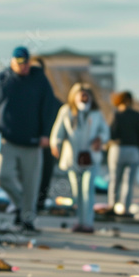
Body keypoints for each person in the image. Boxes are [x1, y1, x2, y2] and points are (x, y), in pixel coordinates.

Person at [0, 46, 55, 232]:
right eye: (20, 63)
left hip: (33, 142)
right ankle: (21, 206)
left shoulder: (39, 80)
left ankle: (27, 220)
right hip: (7, 140)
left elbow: (49, 108)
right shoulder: (1, 80)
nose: (24, 66)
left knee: (31, 184)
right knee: (3, 175)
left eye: (27, 62)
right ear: (12, 62)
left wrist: (46, 134)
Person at [50, 83, 110, 233]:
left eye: (86, 95)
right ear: (74, 96)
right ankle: (80, 221)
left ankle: (88, 223)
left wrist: (100, 139)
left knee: (87, 190)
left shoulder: (96, 114)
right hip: (73, 158)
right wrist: (55, 143)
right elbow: (58, 130)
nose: (84, 97)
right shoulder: (66, 111)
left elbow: (105, 132)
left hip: (91, 158)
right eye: (81, 94)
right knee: (77, 193)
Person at [32, 57, 64, 214]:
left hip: (46, 144)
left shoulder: (51, 97)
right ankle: (25, 205)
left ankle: (38, 204)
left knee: (44, 175)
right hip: (25, 142)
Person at [107, 90, 139, 214]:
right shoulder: (137, 115)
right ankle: (126, 208)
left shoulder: (116, 114)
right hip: (133, 151)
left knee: (114, 180)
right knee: (128, 183)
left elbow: (111, 134)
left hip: (118, 150)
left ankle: (112, 206)